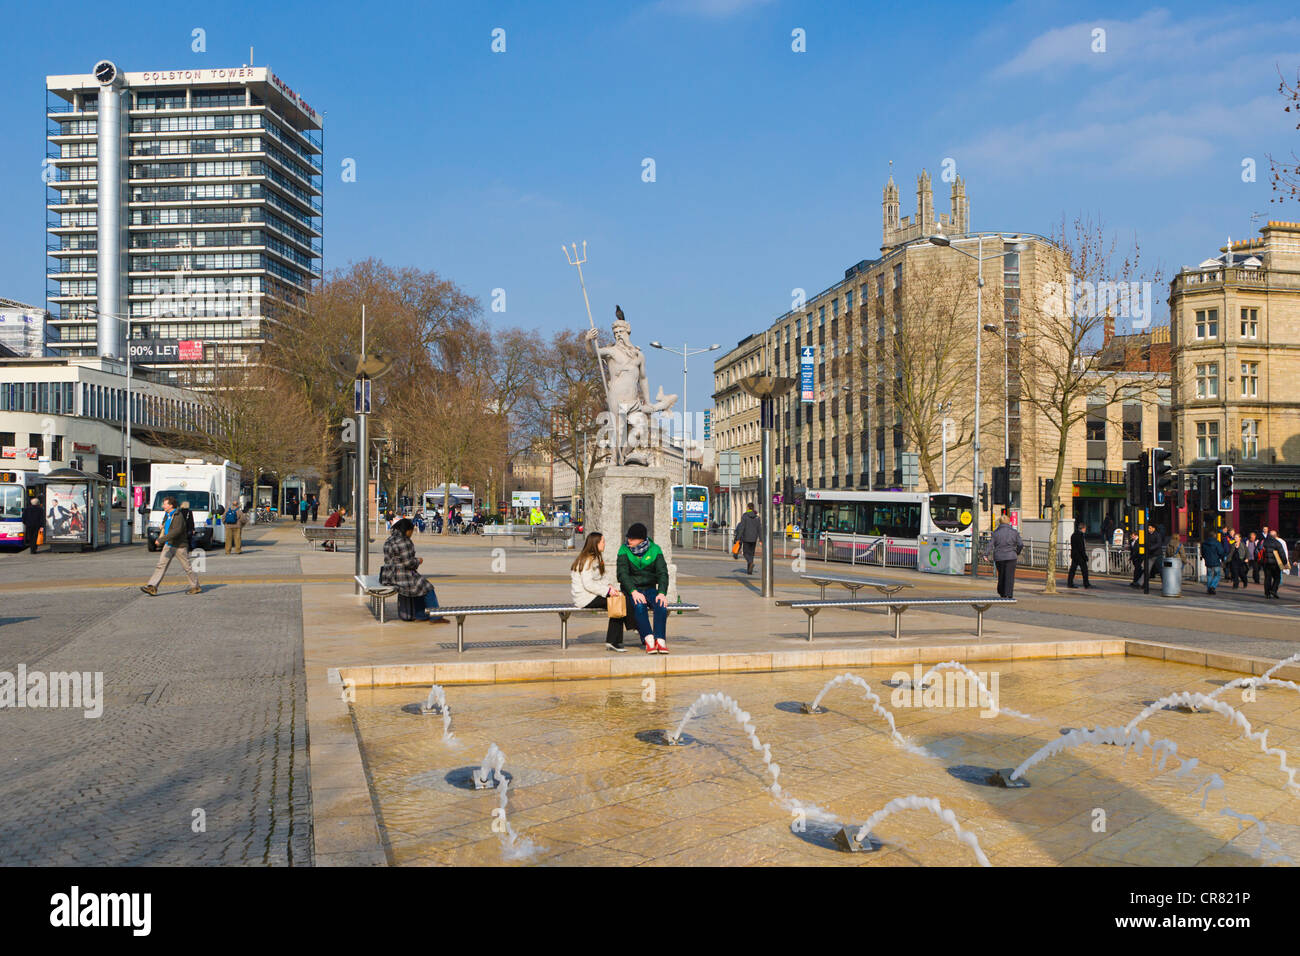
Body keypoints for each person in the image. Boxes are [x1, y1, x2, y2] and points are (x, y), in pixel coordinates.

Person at [379, 518, 447, 623]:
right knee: (428, 588)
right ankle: (435, 617)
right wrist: (418, 561)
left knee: (419, 588)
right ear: (407, 530)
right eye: (412, 531)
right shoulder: (404, 541)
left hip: (387, 576)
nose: (412, 534)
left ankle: (421, 616)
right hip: (401, 576)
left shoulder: (389, 539)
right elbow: (408, 563)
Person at [617, 522, 670, 654]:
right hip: (632, 589)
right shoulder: (623, 550)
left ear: (642, 539)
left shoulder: (655, 550)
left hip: (650, 588)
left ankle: (660, 639)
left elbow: (663, 573)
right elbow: (622, 574)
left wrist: (662, 592)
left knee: (661, 604)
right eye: (628, 537)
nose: (629, 540)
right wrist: (633, 592)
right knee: (640, 605)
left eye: (632, 538)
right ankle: (649, 639)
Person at [570, 532, 628, 652]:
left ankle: (614, 640)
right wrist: (607, 591)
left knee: (619, 600)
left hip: (592, 595)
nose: (604, 544)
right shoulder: (587, 560)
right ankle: (614, 640)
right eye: (603, 541)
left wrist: (610, 587)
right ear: (596, 544)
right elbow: (588, 584)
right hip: (585, 598)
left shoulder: (596, 558)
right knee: (617, 603)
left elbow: (601, 578)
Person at [141, 495, 201, 596]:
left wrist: (161, 540)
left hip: (179, 546)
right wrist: (162, 526)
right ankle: (152, 587)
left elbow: (176, 532)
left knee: (187, 567)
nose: (163, 506)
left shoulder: (178, 516)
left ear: (171, 505)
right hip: (169, 545)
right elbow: (166, 525)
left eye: (165, 504)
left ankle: (195, 586)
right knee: (161, 565)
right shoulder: (167, 514)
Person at [984, 515, 1023, 599]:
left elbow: (990, 545)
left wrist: (986, 554)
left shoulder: (995, 533)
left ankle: (1002, 592)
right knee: (1010, 575)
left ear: (1000, 522)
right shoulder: (1014, 532)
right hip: (1011, 556)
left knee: (1001, 574)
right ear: (1009, 522)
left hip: (999, 557)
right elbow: (1020, 544)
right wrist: (1017, 552)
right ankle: (1008, 593)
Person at [733, 503, 762, 576]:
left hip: (746, 537)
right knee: (751, 554)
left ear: (748, 508)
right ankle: (749, 570)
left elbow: (742, 527)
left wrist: (738, 538)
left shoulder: (745, 516)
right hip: (754, 538)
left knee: (746, 553)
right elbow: (759, 529)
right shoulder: (757, 517)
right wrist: (761, 539)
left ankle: (750, 562)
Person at [1261, 530, 1286, 599]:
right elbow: (1282, 554)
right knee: (1277, 578)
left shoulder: (1264, 542)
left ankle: (1267, 593)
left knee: (1267, 578)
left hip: (1266, 563)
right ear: (1275, 536)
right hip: (1275, 563)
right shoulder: (1277, 543)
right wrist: (1285, 562)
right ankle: (1274, 590)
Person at [1067, 520, 1092, 589]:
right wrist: (1085, 556)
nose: (1085, 530)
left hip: (1074, 555)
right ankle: (1086, 584)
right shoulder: (1080, 536)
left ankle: (1070, 583)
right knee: (1084, 570)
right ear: (1083, 528)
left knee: (1072, 570)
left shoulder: (1073, 535)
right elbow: (1081, 547)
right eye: (1085, 529)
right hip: (1080, 556)